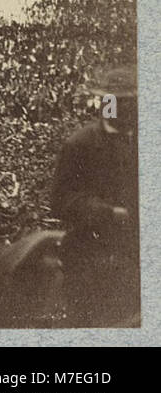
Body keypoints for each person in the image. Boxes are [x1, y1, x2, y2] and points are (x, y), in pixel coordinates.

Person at [51, 67, 139, 327]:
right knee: (90, 313)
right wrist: (108, 214)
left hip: (137, 242)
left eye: (129, 102)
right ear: (104, 103)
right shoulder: (80, 144)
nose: (122, 108)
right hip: (92, 246)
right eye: (113, 100)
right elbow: (61, 200)